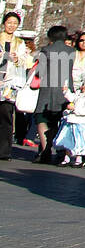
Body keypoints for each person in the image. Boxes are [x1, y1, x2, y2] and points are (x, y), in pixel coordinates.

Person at [33, 26, 75, 164]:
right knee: (58, 119)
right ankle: (59, 150)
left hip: (48, 88)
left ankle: (46, 151)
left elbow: (40, 72)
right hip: (64, 88)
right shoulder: (71, 51)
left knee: (42, 119)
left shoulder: (46, 50)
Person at [1, 11, 34, 161]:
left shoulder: (19, 42)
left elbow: (24, 62)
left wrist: (17, 58)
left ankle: (4, 151)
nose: (11, 25)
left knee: (7, 115)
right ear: (4, 23)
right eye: (9, 22)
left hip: (9, 83)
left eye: (15, 23)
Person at [53, 78, 85, 165]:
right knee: (68, 141)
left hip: (81, 123)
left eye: (84, 85)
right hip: (71, 121)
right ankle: (66, 158)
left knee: (80, 142)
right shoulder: (79, 94)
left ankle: (79, 159)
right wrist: (66, 91)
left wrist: (74, 108)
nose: (82, 87)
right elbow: (72, 97)